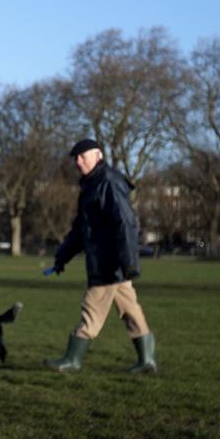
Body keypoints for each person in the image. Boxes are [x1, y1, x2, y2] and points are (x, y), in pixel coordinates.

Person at [42, 138, 157, 374]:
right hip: (108, 262)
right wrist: (62, 257)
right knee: (130, 310)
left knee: (91, 307)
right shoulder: (91, 185)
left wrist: (129, 262)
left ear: (98, 156)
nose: (78, 161)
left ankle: (72, 360)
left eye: (83, 156)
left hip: (109, 263)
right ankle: (147, 361)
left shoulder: (109, 182)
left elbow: (125, 223)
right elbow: (80, 230)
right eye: (76, 158)